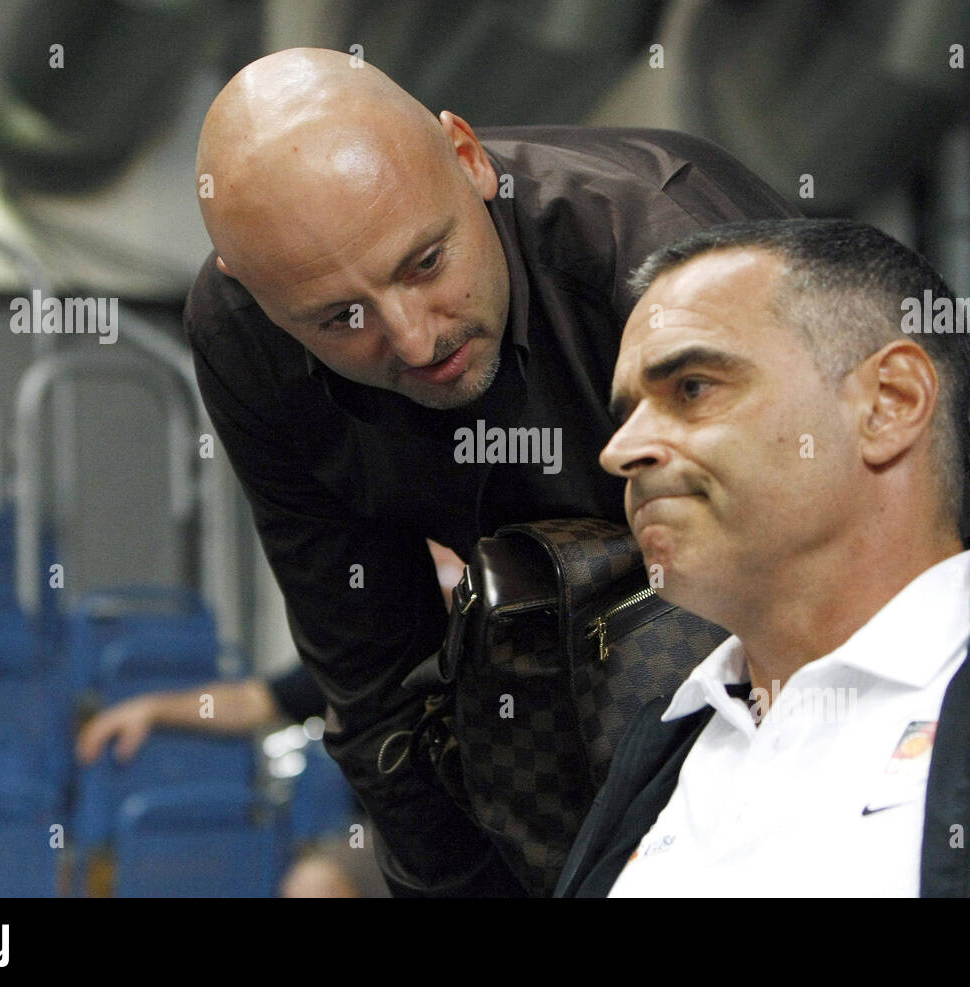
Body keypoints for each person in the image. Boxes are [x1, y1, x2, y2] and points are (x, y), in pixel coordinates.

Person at [180, 47, 801, 897]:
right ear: (249, 288)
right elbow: (375, 692)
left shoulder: (675, 251)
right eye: (341, 317)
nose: (413, 338)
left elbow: (871, 605)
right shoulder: (243, 340)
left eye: (426, 263)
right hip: (553, 738)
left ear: (469, 159)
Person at [554, 218, 970, 897]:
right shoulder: (655, 753)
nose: (621, 450)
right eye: (626, 412)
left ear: (890, 403)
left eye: (692, 388)